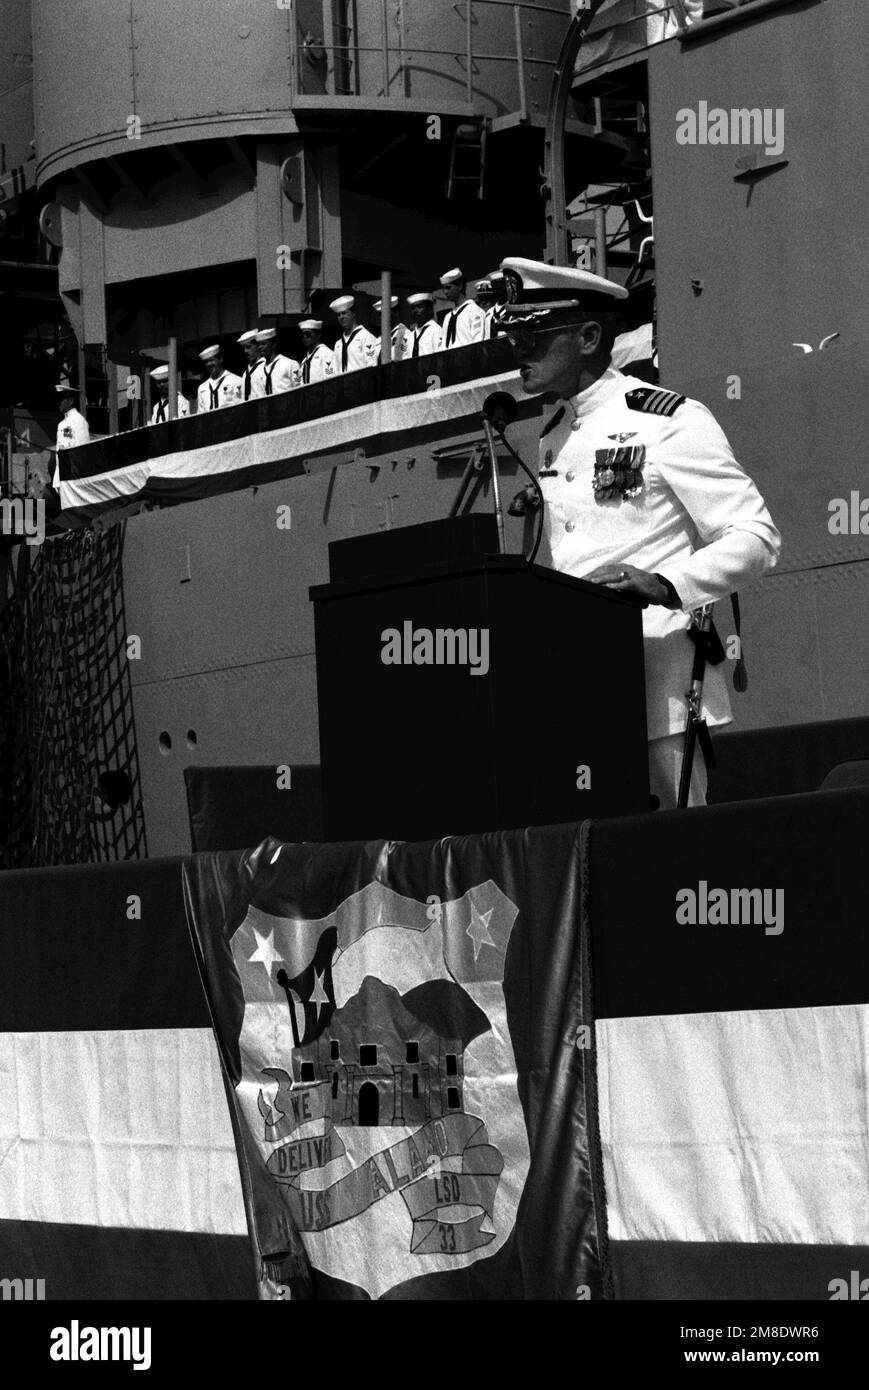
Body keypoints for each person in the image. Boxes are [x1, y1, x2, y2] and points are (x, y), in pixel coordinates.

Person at [497, 255, 781, 809]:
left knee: (673, 858)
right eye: (512, 335)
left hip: (660, 686)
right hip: (581, 688)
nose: (518, 351)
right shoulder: (553, 434)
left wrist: (661, 583)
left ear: (587, 336)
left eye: (533, 334)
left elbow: (757, 536)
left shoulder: (666, 420)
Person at [53, 379, 90, 487]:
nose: (58, 402)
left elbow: (82, 452)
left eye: (61, 399)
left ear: (71, 401)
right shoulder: (62, 424)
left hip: (73, 479)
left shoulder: (79, 421)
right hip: (62, 478)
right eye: (58, 399)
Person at [329, 295, 378, 373]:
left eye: (344, 313)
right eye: (338, 315)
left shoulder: (365, 337)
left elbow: (372, 366)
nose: (341, 317)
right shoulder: (338, 344)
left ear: (353, 313)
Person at [439, 267, 486, 348]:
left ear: (460, 286)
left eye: (448, 288)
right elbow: (443, 346)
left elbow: (478, 343)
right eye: (444, 289)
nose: (445, 292)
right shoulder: (448, 317)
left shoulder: (474, 311)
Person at [250, 328, 299, 397]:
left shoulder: (290, 364)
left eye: (263, 344)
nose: (260, 347)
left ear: (273, 345)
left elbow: (299, 389)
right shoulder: (258, 370)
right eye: (258, 345)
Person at [196, 346, 242, 411]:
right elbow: (201, 413)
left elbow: (241, 407)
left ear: (220, 359)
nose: (209, 364)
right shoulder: (202, 388)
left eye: (211, 360)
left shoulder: (235, 381)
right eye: (206, 362)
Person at [373, 295, 411, 362]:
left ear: (396, 313)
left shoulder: (406, 335)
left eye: (384, 313)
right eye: (379, 314)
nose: (381, 317)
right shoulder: (379, 339)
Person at [298, 320, 336, 384]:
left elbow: (330, 380)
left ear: (318, 335)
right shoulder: (304, 361)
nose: (305, 337)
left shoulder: (326, 354)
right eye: (302, 335)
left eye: (308, 334)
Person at [238, 329, 264, 401]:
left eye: (249, 347)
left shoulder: (265, 367)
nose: (245, 351)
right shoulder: (245, 374)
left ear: (258, 346)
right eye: (244, 348)